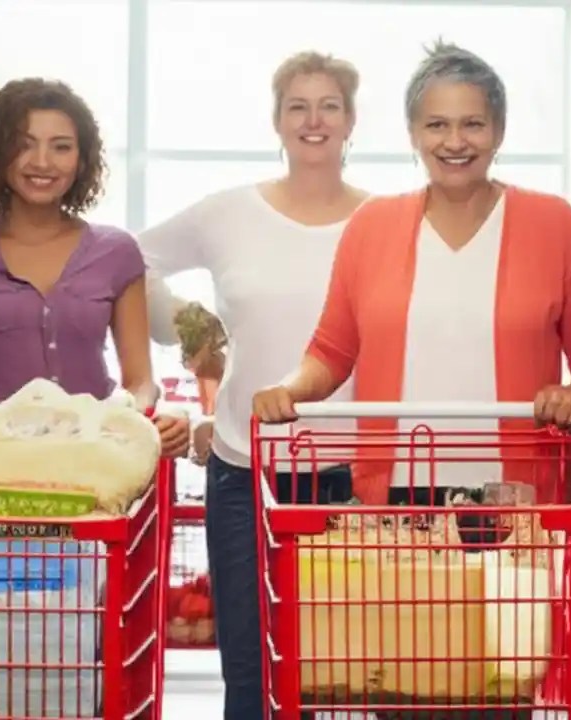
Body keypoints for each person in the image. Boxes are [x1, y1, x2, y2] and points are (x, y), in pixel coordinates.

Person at [252, 39, 571, 718]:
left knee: (499, 690)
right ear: (413, 133)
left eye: (473, 123)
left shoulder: (553, 223)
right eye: (438, 125)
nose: (456, 141)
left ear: (500, 130)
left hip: (514, 506)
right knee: (402, 686)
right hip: (398, 504)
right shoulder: (373, 226)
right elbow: (332, 349)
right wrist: (292, 388)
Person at [138, 51, 367, 720]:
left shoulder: (385, 220)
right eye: (298, 105)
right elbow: (128, 258)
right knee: (249, 670)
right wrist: (189, 327)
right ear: (276, 120)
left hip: (356, 474)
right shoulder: (229, 212)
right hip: (245, 468)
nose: (313, 119)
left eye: (329, 105)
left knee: (350, 673)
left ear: (352, 121)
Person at [0, 78, 189, 457]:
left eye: (61, 147)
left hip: (93, 463)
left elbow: (140, 383)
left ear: (82, 160)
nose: (42, 162)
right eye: (23, 145)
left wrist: (149, 415)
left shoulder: (117, 253)